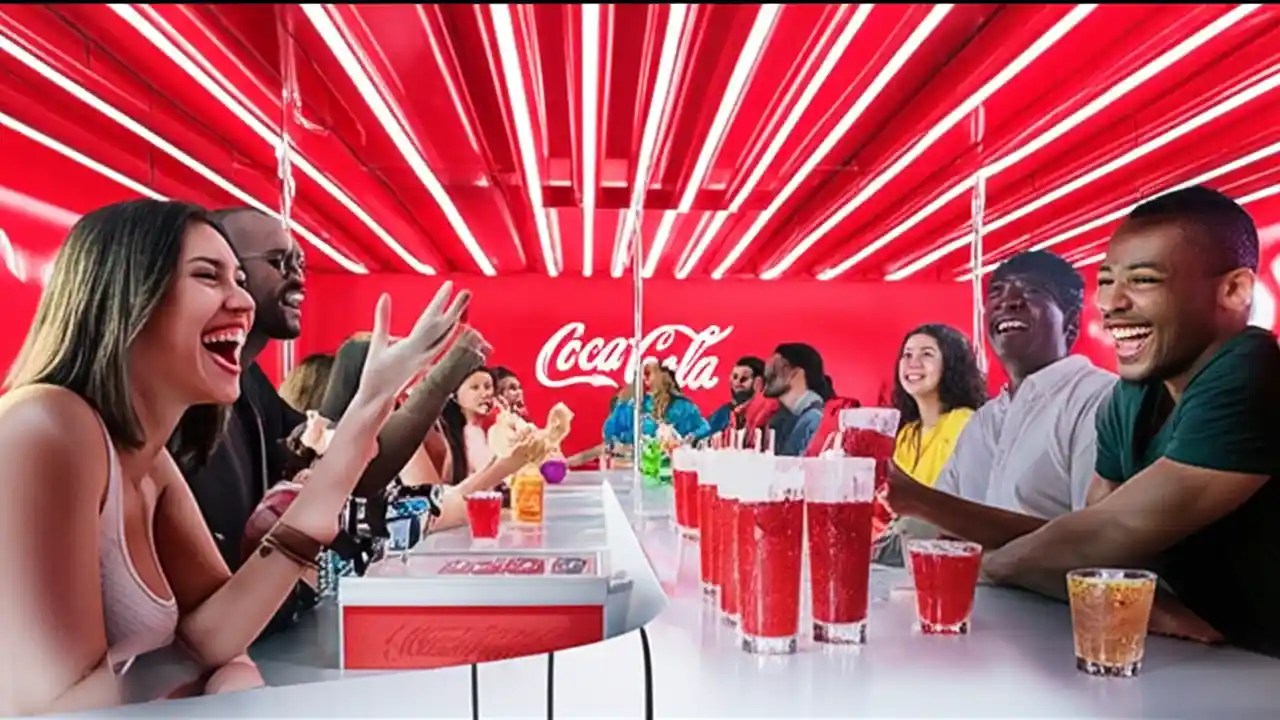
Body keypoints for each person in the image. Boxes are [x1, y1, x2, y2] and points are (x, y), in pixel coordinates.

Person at [0, 199, 467, 714]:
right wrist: (209, 666)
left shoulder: (151, 464)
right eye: (208, 276)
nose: (241, 302)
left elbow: (226, 629)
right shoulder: (46, 427)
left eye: (240, 280)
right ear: (129, 294)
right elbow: (56, 711)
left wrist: (371, 404)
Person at [984, 186, 1280, 655]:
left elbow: (1103, 539)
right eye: (1105, 281)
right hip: (1205, 663)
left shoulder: (1253, 368)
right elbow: (1098, 553)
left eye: (1142, 280)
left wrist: (988, 567)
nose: (1111, 303)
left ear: (1235, 290)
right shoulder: (1132, 395)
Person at [885, 250, 1116, 549]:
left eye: (1033, 291)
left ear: (1070, 323)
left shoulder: (1099, 400)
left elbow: (1096, 544)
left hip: (1048, 598)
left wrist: (917, 499)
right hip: (967, 593)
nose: (1009, 301)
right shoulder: (984, 420)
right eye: (997, 292)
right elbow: (941, 527)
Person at [891, 324, 988, 487]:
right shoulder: (907, 434)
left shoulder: (964, 423)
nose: (913, 363)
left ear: (950, 364)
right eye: (907, 354)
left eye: (927, 354)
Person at [603, 361, 709, 445]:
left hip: (674, 464)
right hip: (639, 464)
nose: (643, 378)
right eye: (643, 374)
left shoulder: (684, 407)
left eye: (647, 373)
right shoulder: (631, 406)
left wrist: (689, 439)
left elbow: (704, 428)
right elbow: (610, 433)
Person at [762, 343, 831, 456]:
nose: (766, 374)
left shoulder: (814, 419)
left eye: (776, 368)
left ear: (796, 373)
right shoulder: (784, 418)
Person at [705, 356, 765, 436]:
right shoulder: (723, 413)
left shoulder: (767, 414)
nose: (737, 383)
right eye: (735, 377)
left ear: (758, 382)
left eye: (744, 378)